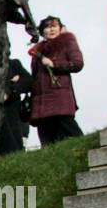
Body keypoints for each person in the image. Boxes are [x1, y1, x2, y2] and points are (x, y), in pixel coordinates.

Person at [29, 15, 84, 147]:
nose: (51, 29)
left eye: (54, 26)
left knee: (71, 134)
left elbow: (78, 64)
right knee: (47, 143)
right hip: (40, 102)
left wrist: (55, 65)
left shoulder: (67, 42)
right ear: (42, 32)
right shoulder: (37, 50)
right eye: (47, 27)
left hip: (59, 97)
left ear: (60, 28)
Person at [0, 57, 33, 155]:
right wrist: (12, 82)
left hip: (12, 111)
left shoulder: (12, 64)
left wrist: (10, 90)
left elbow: (28, 81)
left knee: (14, 144)